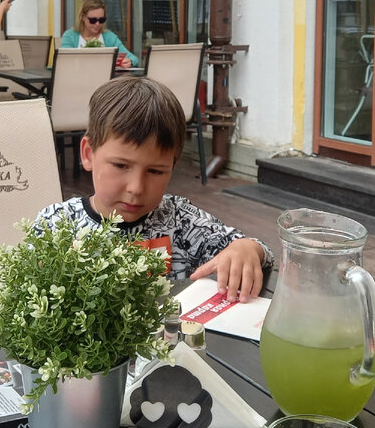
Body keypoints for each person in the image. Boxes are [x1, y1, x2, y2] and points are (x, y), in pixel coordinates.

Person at [33, 76, 272, 302]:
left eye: (156, 171)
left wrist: (247, 248)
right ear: (88, 154)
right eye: (121, 165)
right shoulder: (55, 225)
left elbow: (259, 252)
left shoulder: (180, 221)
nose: (137, 188)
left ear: (172, 166)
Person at [60, 0, 139, 68]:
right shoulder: (70, 36)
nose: (97, 24)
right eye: (93, 20)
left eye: (101, 20)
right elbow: (64, 61)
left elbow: (133, 58)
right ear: (83, 17)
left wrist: (129, 62)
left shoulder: (109, 37)